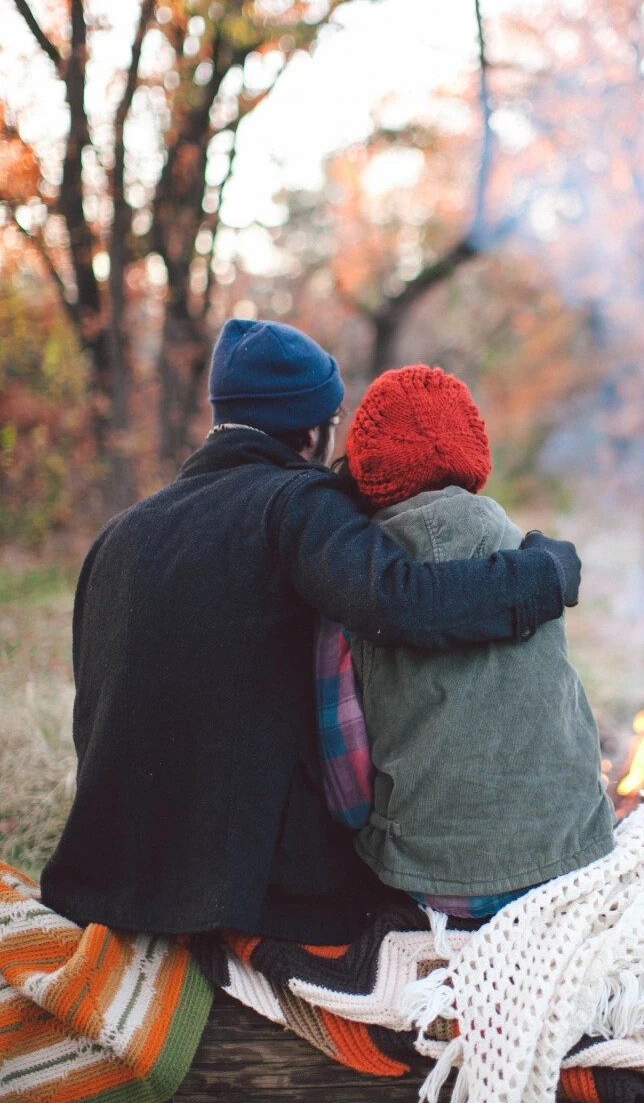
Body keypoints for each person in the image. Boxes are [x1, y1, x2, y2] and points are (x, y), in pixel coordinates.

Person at [39, 319, 581, 944]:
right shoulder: (294, 505)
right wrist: (545, 573)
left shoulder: (119, 535)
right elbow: (403, 601)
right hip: (246, 890)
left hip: (112, 874)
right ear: (311, 430)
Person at [319, 364, 614, 917]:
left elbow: (347, 782)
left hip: (440, 881)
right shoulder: (533, 562)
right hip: (576, 860)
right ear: (471, 458)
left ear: (367, 468)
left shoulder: (354, 586)